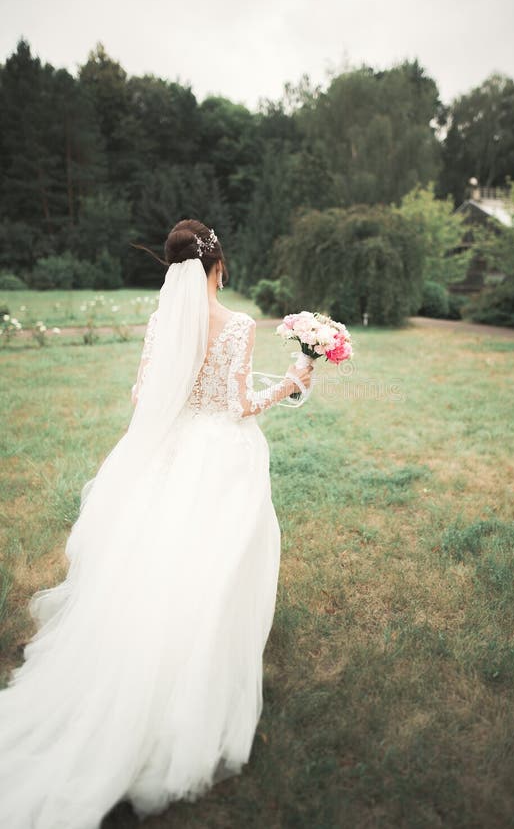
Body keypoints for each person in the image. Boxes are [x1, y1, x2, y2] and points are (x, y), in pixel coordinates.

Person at [0, 219, 314, 828]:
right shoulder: (240, 325)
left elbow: (146, 395)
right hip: (220, 457)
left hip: (168, 451)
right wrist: (293, 384)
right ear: (219, 264)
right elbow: (236, 405)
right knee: (211, 565)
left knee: (154, 559)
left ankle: (134, 654)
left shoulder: (163, 321)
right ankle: (192, 675)